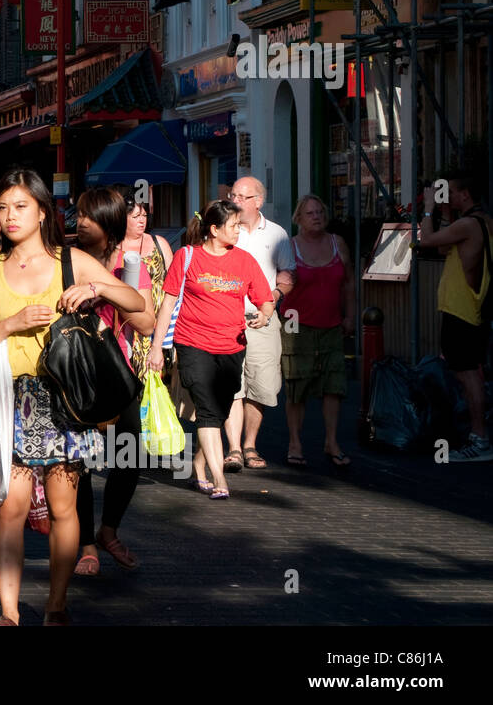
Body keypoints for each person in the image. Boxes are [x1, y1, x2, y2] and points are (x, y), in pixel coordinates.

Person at [0, 170, 145, 625]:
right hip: (12, 400)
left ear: (43, 211)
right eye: (3, 207)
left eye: (20, 206)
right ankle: (8, 613)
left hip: (66, 400)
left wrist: (97, 287)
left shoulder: (72, 260)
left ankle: (56, 605)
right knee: (12, 507)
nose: (10, 216)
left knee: (64, 508)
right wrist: (7, 325)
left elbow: (138, 303)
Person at [148, 201, 276, 499]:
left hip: (232, 346)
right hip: (193, 344)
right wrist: (157, 347)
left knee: (217, 411)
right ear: (214, 229)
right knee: (207, 409)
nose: (238, 232)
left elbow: (265, 299)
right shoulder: (187, 256)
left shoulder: (244, 260)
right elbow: (167, 303)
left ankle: (198, 465)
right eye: (233, 226)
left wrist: (265, 315)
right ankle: (220, 479)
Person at [72, 187, 156, 577]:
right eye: (78, 215)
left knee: (129, 456)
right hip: (76, 375)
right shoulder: (64, 261)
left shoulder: (131, 262)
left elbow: (146, 322)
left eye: (89, 216)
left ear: (109, 223)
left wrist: (104, 290)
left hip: (119, 372)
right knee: (82, 463)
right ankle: (86, 544)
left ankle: (109, 531)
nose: (80, 222)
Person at [418, 171, 493, 461]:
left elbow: (426, 240)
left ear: (465, 194)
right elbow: (443, 246)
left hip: (462, 309)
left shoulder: (469, 224)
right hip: (465, 308)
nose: (444, 196)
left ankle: (480, 439)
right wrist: (446, 212)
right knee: (468, 371)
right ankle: (478, 434)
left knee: (469, 373)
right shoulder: (478, 222)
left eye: (449, 192)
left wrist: (428, 207)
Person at [223, 177, 295, 472]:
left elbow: (288, 274)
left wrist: (273, 298)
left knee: (261, 386)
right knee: (232, 386)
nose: (236, 200)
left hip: (262, 318)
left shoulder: (277, 234)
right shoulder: (225, 231)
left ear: (258, 201)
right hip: (226, 318)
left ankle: (251, 443)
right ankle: (234, 449)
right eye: (233, 194)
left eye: (243, 196)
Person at [280, 195, 355, 468]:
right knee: (297, 385)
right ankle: (295, 443)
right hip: (296, 325)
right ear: (298, 218)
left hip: (332, 324)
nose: (316, 217)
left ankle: (331, 442)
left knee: (334, 386)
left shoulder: (338, 243)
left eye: (320, 212)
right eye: (310, 213)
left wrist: (350, 315)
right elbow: (279, 281)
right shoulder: (290, 247)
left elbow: (348, 282)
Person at [119, 188, 176, 380]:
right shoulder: (114, 248)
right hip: (129, 323)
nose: (141, 220)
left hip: (160, 323)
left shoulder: (158, 243)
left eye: (144, 215)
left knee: (160, 379)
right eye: (135, 216)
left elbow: (174, 284)